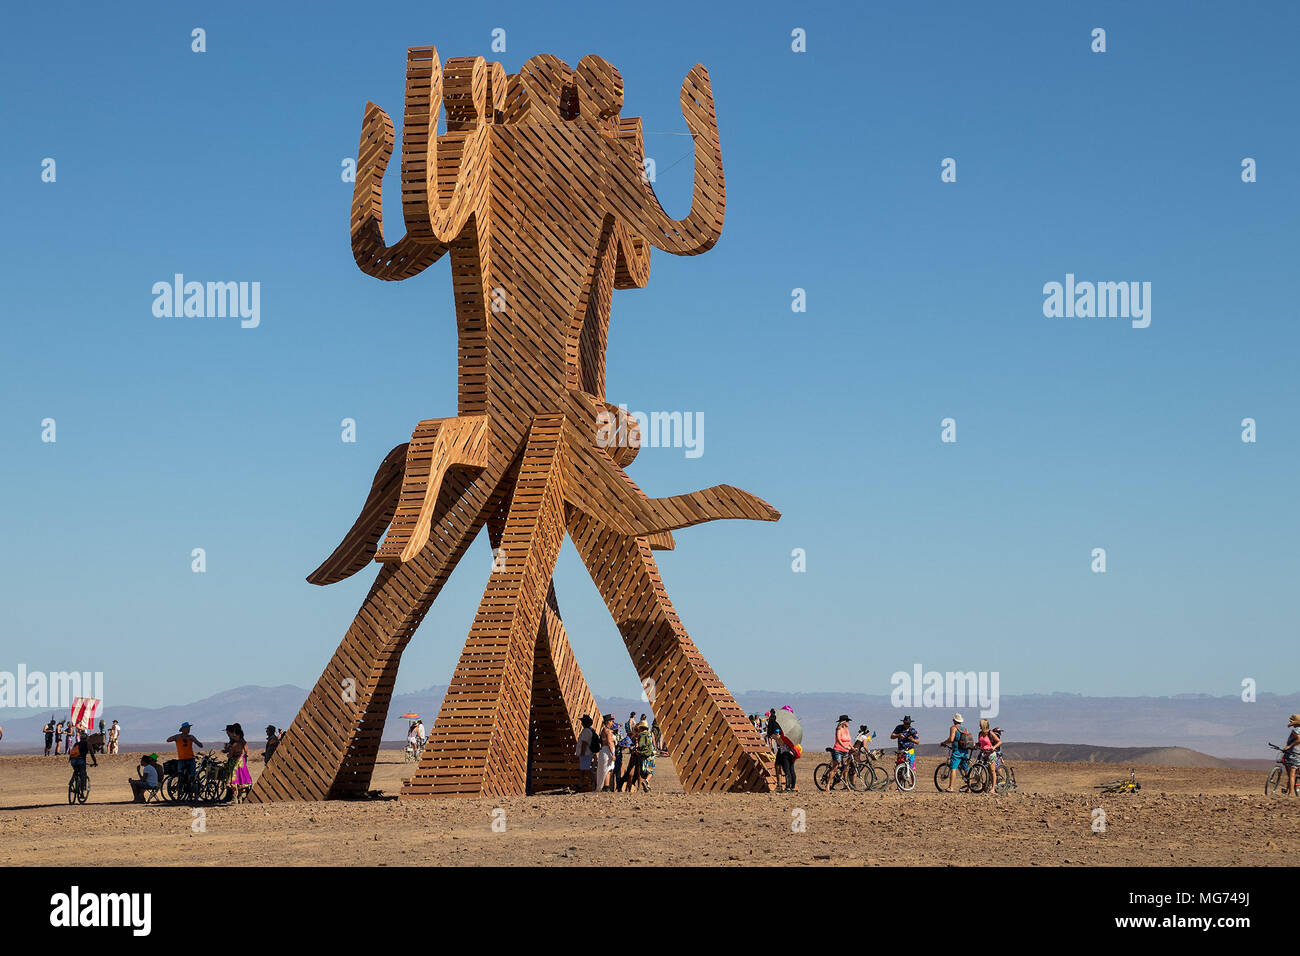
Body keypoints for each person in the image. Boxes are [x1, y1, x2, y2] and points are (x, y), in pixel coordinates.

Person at [941, 713, 971, 792]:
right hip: (965, 751)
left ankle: (951, 787)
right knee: (966, 769)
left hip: (957, 751)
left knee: (953, 768)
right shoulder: (965, 729)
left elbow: (951, 739)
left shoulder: (953, 728)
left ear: (954, 720)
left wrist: (944, 743)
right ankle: (969, 787)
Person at [222, 724, 252, 800]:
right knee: (241, 780)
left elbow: (230, 754)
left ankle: (234, 797)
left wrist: (229, 753)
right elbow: (246, 750)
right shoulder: (242, 742)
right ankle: (239, 797)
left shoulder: (235, 743)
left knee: (234, 780)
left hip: (235, 763)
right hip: (241, 762)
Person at [977, 719, 1001, 793]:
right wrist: (976, 744)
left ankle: (993, 788)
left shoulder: (990, 733)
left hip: (990, 753)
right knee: (979, 769)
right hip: (982, 753)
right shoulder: (980, 733)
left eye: (980, 724)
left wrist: (993, 747)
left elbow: (999, 742)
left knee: (992, 771)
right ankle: (981, 785)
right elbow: (981, 743)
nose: (979, 725)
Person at [576, 715, 598, 791]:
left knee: (585, 770)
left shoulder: (586, 731)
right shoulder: (591, 730)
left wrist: (581, 754)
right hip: (588, 753)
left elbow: (584, 744)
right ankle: (580, 785)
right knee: (584, 770)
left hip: (585, 754)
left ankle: (595, 782)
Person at [595, 714, 616, 792]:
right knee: (608, 769)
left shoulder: (603, 730)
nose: (612, 723)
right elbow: (610, 742)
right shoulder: (608, 731)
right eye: (611, 721)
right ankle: (606, 787)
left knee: (603, 769)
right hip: (608, 750)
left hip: (603, 750)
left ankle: (603, 786)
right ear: (608, 722)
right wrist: (613, 754)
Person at [830, 714, 853, 784]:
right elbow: (839, 739)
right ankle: (828, 784)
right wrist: (844, 746)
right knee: (835, 768)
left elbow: (848, 741)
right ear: (844, 722)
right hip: (838, 750)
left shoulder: (847, 730)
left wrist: (852, 748)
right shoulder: (839, 729)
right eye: (847, 721)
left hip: (846, 751)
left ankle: (846, 785)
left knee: (845, 769)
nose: (848, 723)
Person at [635, 720, 656, 792]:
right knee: (650, 771)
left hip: (643, 755)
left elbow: (639, 745)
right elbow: (654, 743)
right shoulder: (650, 733)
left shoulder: (640, 735)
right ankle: (646, 781)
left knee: (644, 772)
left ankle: (647, 787)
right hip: (651, 754)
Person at [1282, 714, 1300, 797]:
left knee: (1292, 774)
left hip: (1294, 753)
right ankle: (1289, 788)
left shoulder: (1296, 730)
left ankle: (1291, 793)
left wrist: (1289, 746)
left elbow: (1299, 739)